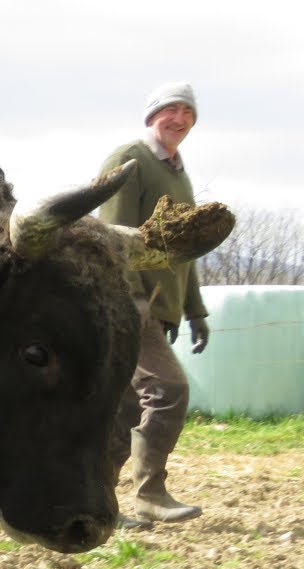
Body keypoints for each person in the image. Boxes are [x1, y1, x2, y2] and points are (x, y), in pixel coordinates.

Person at [99, 81, 210, 529]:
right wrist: (133, 301)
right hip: (130, 305)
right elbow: (113, 238)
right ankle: (149, 493)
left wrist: (194, 309)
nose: (179, 119)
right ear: (152, 116)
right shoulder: (131, 160)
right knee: (168, 392)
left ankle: (99, 503)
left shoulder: (178, 171)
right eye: (171, 110)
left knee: (125, 409)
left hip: (161, 307)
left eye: (188, 112)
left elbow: (184, 248)